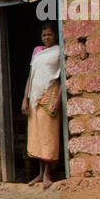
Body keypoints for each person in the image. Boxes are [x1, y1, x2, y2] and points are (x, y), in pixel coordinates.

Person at [21, 22, 64, 189]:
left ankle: (47, 174)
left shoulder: (59, 51)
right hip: (34, 98)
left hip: (49, 95)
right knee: (37, 136)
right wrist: (25, 98)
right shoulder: (37, 52)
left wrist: (58, 100)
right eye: (44, 35)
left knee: (48, 135)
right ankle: (39, 173)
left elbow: (62, 78)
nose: (47, 38)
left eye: (50, 35)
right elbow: (31, 77)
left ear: (55, 35)